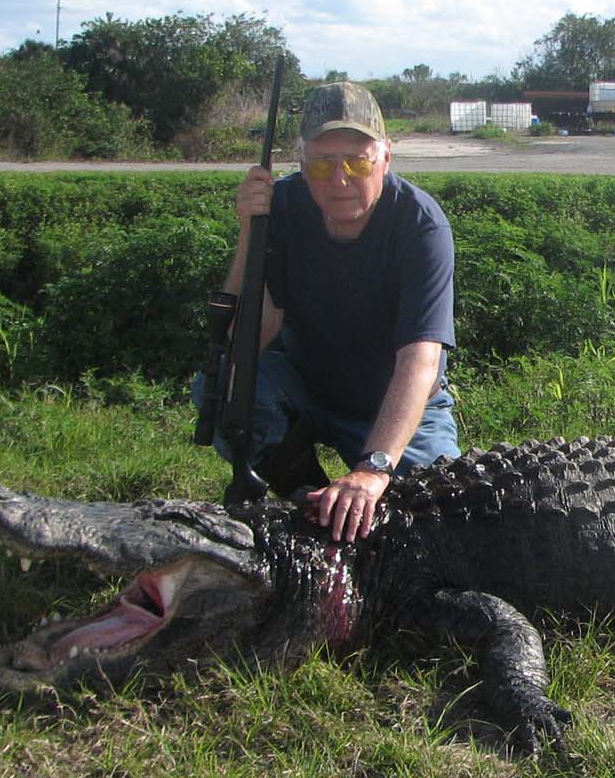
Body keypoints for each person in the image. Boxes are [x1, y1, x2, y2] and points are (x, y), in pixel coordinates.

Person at [197, 80, 459, 542]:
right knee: (222, 384)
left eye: (358, 161)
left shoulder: (421, 224)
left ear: (386, 158)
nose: (340, 179)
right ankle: (313, 505)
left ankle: (354, 501)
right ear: (301, 163)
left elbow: (421, 361)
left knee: (442, 506)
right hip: (308, 389)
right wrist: (248, 233)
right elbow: (245, 338)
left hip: (394, 399)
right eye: (322, 163)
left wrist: (373, 469)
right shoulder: (281, 207)